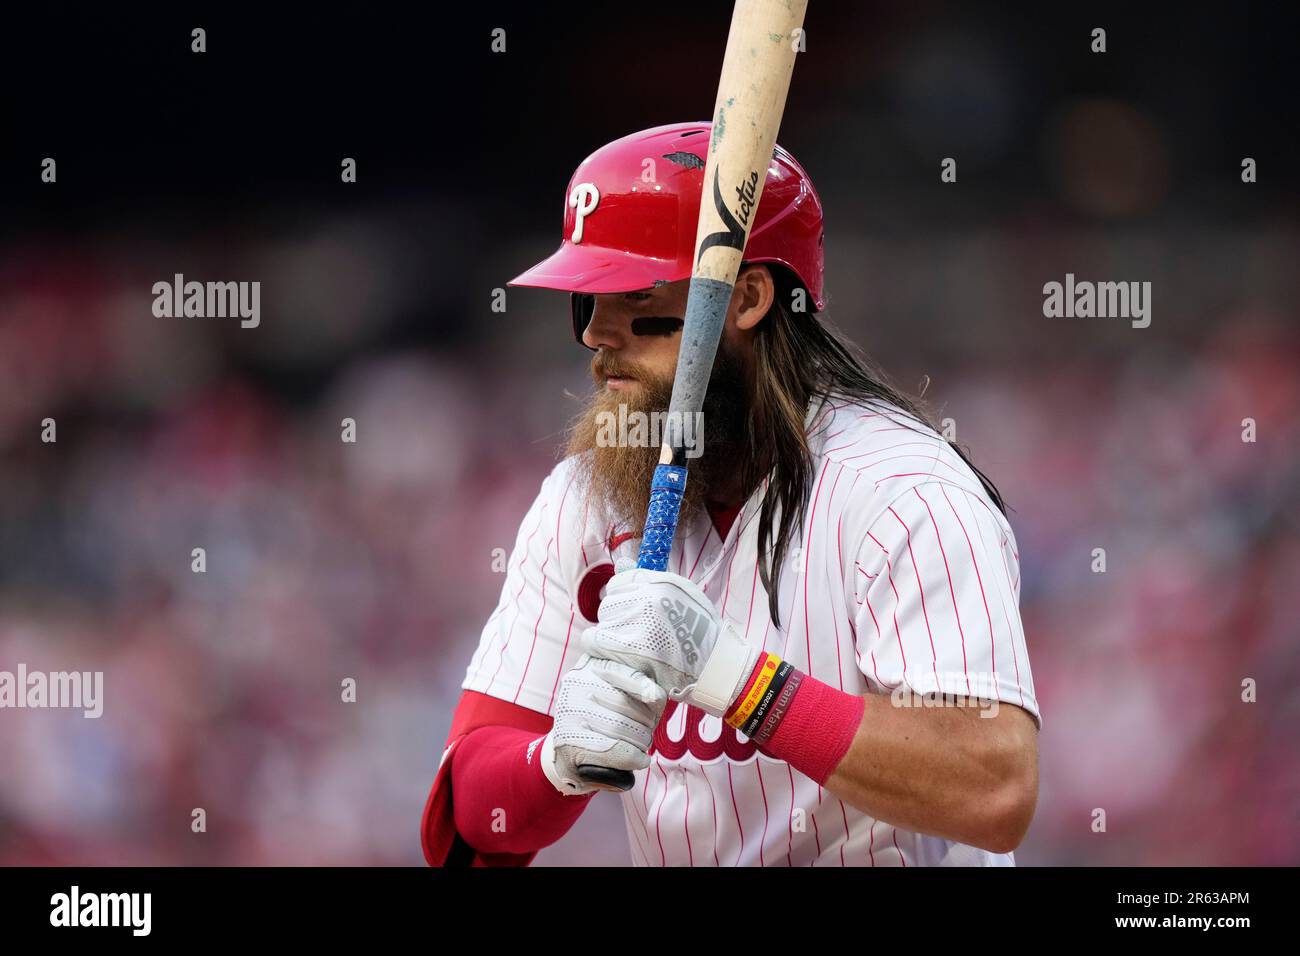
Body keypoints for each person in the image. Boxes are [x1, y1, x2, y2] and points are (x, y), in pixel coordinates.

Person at [420, 122, 1040, 867]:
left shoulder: (903, 492)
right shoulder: (589, 497)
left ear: (745, 298)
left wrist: (734, 680)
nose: (596, 335)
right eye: (586, 298)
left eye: (633, 293)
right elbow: (470, 813)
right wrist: (555, 764)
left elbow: (993, 789)